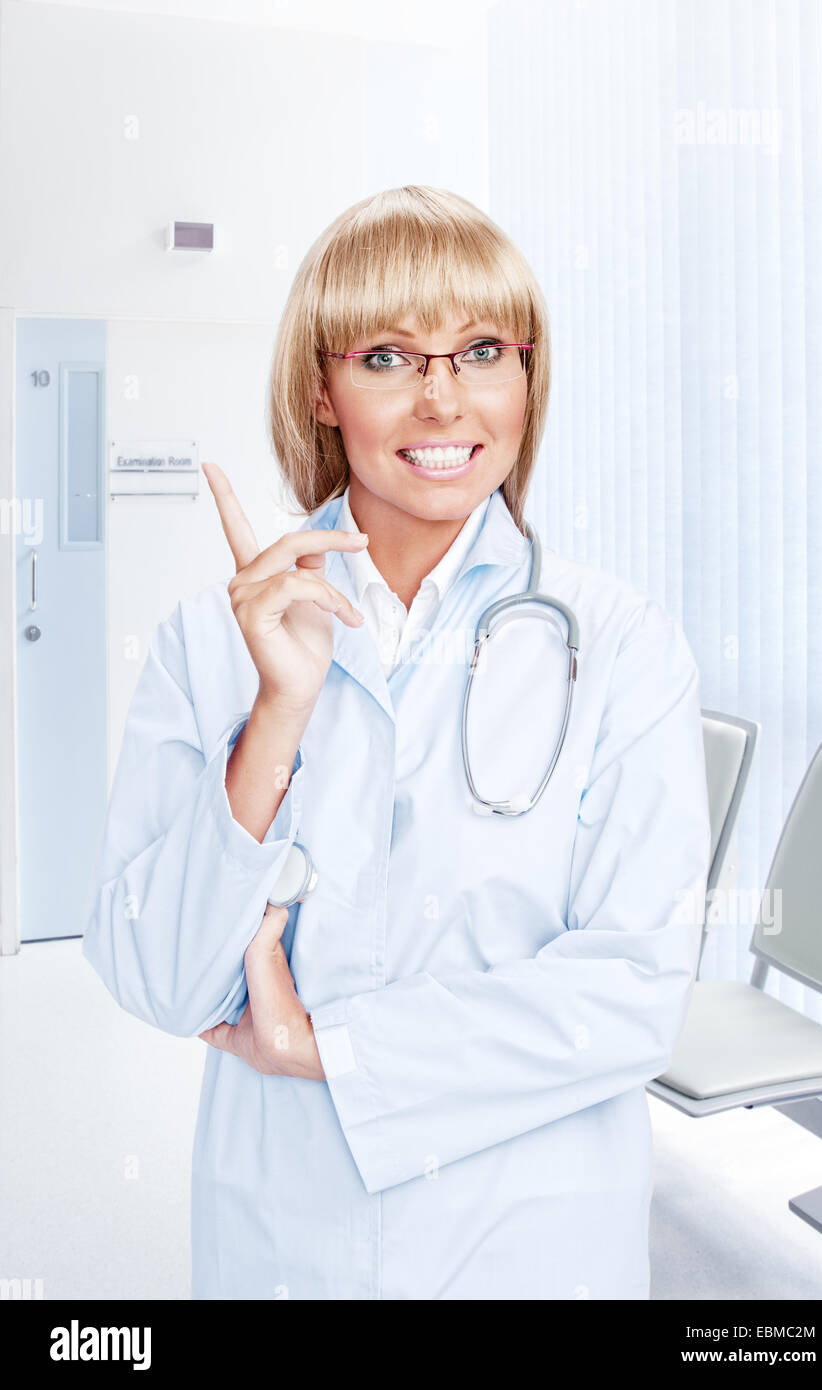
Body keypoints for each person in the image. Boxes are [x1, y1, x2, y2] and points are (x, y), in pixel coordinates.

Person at [82, 184, 712, 1300]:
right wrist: (277, 712)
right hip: (287, 1238)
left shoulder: (620, 648)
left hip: (530, 1243)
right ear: (321, 389)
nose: (441, 400)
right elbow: (157, 976)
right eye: (386, 356)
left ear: (526, 378)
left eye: (480, 351)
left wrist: (330, 1049)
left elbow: (630, 992)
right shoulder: (207, 644)